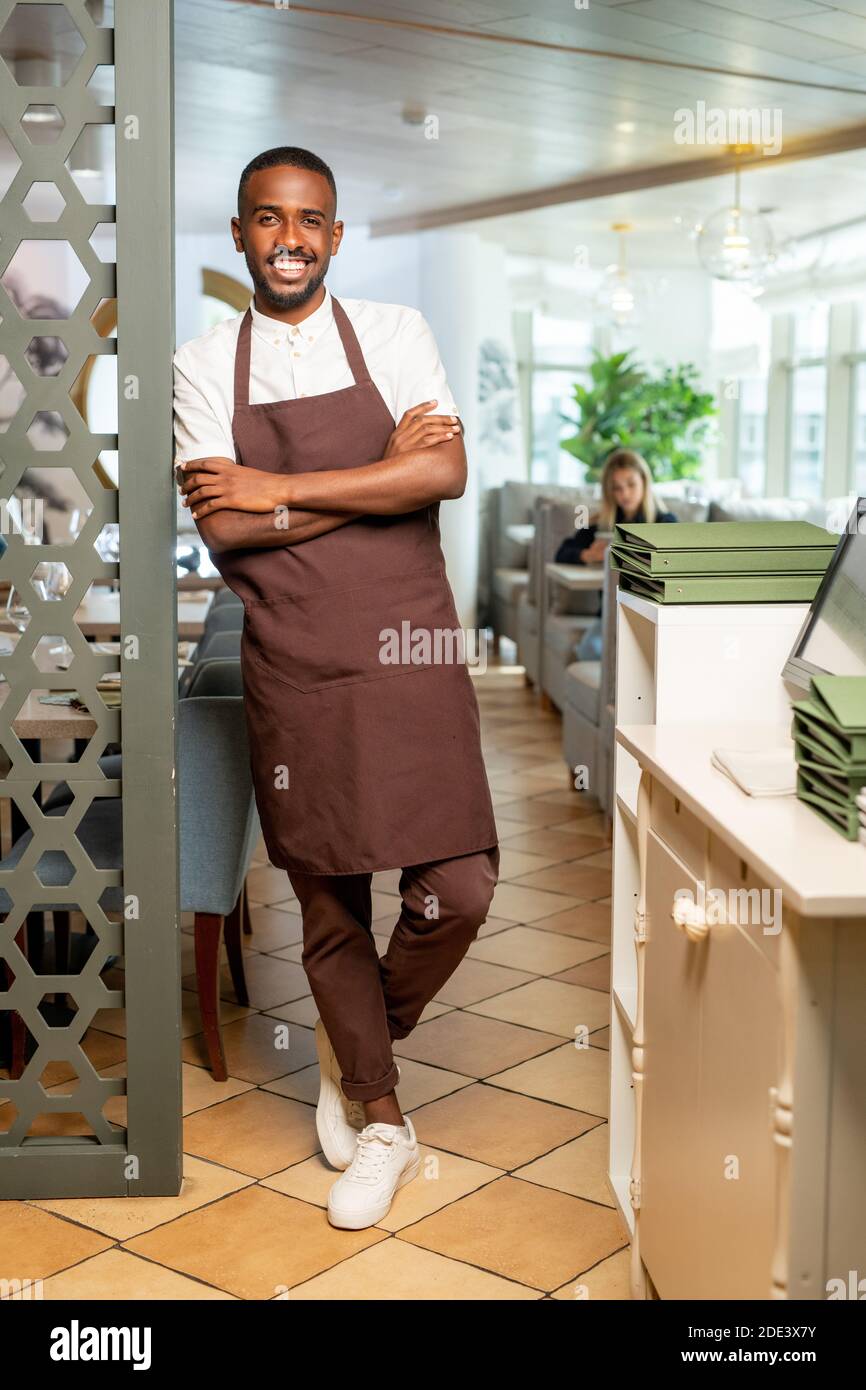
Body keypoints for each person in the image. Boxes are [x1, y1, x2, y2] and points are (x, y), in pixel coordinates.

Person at [172, 146, 499, 1231]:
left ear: (337, 235)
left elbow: (440, 472)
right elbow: (225, 531)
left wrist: (283, 488)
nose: (290, 238)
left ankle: (353, 1038)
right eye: (267, 219)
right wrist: (374, 485)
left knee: (460, 887)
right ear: (238, 234)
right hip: (298, 662)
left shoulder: (396, 332)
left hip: (407, 648)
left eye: (310, 219)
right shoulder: (201, 364)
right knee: (327, 901)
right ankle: (382, 1113)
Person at [556, 449, 678, 660]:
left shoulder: (666, 522)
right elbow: (563, 552)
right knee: (590, 650)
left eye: (631, 484)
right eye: (617, 488)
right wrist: (588, 555)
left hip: (652, 613)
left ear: (644, 482)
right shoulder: (601, 524)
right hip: (609, 613)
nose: (625, 494)